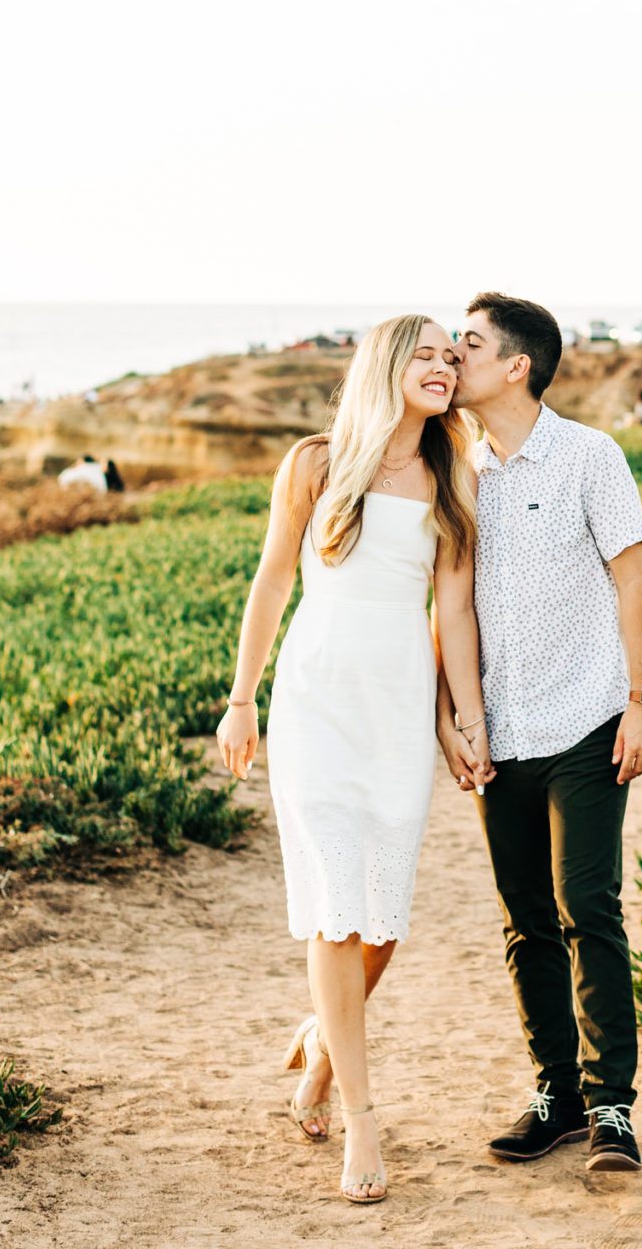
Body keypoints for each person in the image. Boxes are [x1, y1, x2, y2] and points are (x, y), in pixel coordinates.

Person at [216, 315, 491, 1206]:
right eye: (426, 354)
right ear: (385, 364)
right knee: (335, 912)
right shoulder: (313, 464)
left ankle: (322, 1040)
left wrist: (460, 719)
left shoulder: (452, 477)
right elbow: (272, 579)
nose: (444, 367)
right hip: (315, 703)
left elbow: (453, 613)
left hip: (397, 707)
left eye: (451, 357)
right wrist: (241, 699)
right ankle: (359, 1117)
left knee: (382, 921)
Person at [445, 292, 642, 1174]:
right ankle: (558, 1098)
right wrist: (456, 719)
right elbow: (448, 607)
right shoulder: (458, 469)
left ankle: (612, 1106)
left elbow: (634, 579)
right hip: (500, 732)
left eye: (467, 343)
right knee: (525, 921)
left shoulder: (589, 455)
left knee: (588, 908)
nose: (451, 355)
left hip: (586, 723)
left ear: (515, 366)